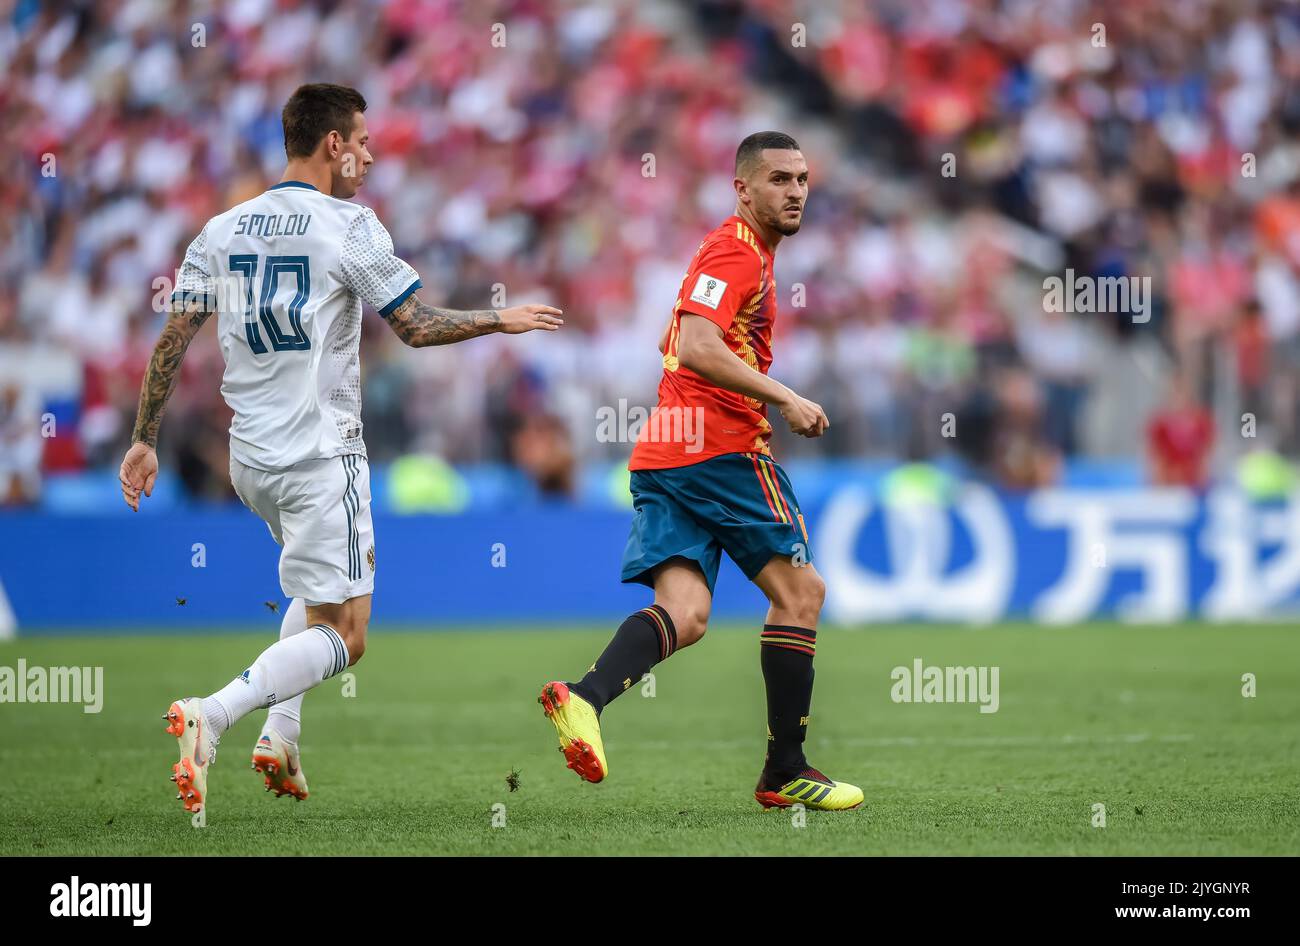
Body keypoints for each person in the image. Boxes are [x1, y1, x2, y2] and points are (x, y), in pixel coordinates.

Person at [119, 84, 563, 816]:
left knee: (315, 592)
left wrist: (143, 438)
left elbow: (173, 341)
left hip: (250, 458)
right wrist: (499, 318)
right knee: (349, 635)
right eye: (362, 138)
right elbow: (415, 326)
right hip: (323, 453)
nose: (370, 152)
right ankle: (215, 714)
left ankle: (281, 736)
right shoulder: (349, 225)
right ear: (332, 144)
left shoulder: (221, 229)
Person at [538, 132, 862, 810]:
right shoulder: (735, 253)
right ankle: (785, 768)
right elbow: (696, 344)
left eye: (803, 178)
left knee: (684, 615)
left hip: (666, 452)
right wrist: (786, 397)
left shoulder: (744, 255)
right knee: (801, 595)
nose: (796, 190)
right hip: (719, 450)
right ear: (743, 189)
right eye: (778, 179)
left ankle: (584, 699)